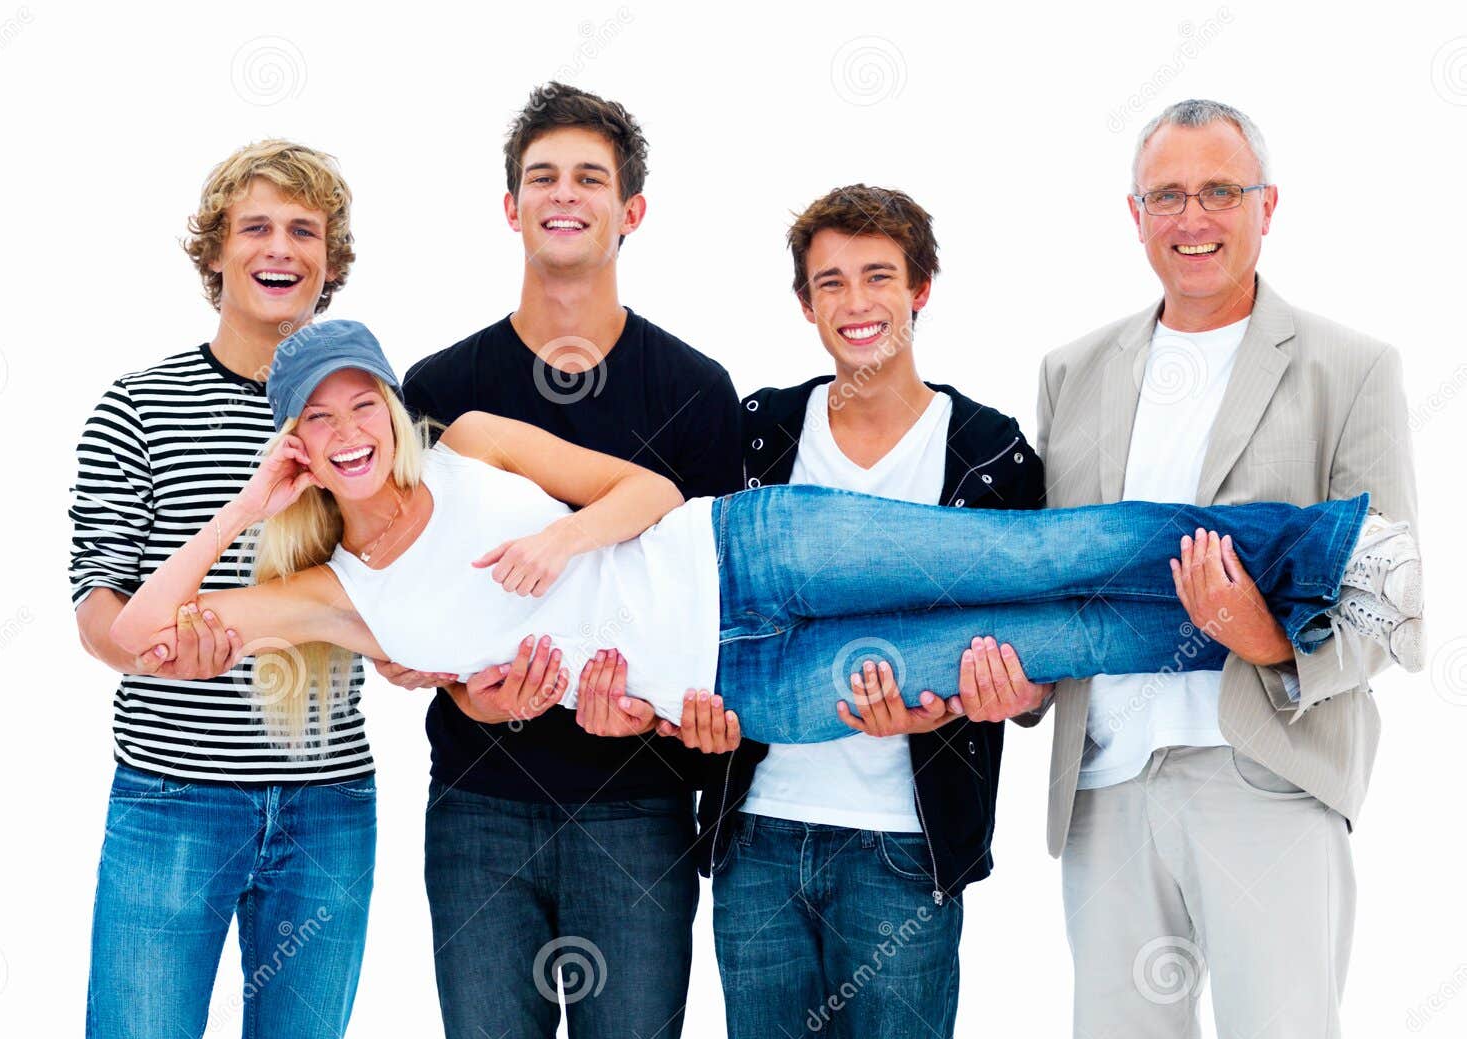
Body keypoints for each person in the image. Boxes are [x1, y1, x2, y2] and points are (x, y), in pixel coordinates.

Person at [992, 98, 1421, 1039]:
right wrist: (1003, 677)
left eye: (1217, 191)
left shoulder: (1346, 368)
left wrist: (1264, 634)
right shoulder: (1073, 372)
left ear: (1264, 206)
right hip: (1107, 789)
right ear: (1132, 214)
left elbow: (1394, 599)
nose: (1192, 215)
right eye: (1165, 193)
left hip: (1264, 783)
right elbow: (1058, 586)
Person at [105, 321, 1414, 767]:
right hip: (734, 691)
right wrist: (239, 501)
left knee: (1037, 554)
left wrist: (559, 552)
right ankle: (1288, 626)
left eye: (355, 406)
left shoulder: (477, 445)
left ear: (386, 407)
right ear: (294, 450)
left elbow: (643, 491)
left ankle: (1335, 556)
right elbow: (144, 639)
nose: (342, 433)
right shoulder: (337, 594)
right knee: (1057, 634)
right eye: (311, 425)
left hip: (755, 554)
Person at [0, 142, 375, 1039]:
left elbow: (396, 623)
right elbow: (112, 629)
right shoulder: (139, 408)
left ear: (333, 260)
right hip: (171, 811)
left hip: (327, 811)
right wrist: (246, 517)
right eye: (257, 227)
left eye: (307, 231)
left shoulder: (369, 418)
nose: (281, 249)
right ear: (214, 247)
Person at [396, 85, 743, 1039]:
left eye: (589, 176)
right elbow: (395, 595)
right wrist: (459, 688)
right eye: (541, 174)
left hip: (635, 814)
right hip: (478, 802)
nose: (563, 196)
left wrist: (672, 717)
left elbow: (715, 610)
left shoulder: (696, 392)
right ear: (510, 206)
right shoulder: (431, 387)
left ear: (630, 210)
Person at [706, 185, 1043, 1039]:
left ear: (921, 290)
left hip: (903, 858)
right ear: (805, 304)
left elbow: (1030, 661)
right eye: (831, 281)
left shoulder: (989, 454)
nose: (856, 302)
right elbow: (706, 610)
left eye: (878, 277)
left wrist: (963, 697)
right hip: (760, 843)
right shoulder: (754, 434)